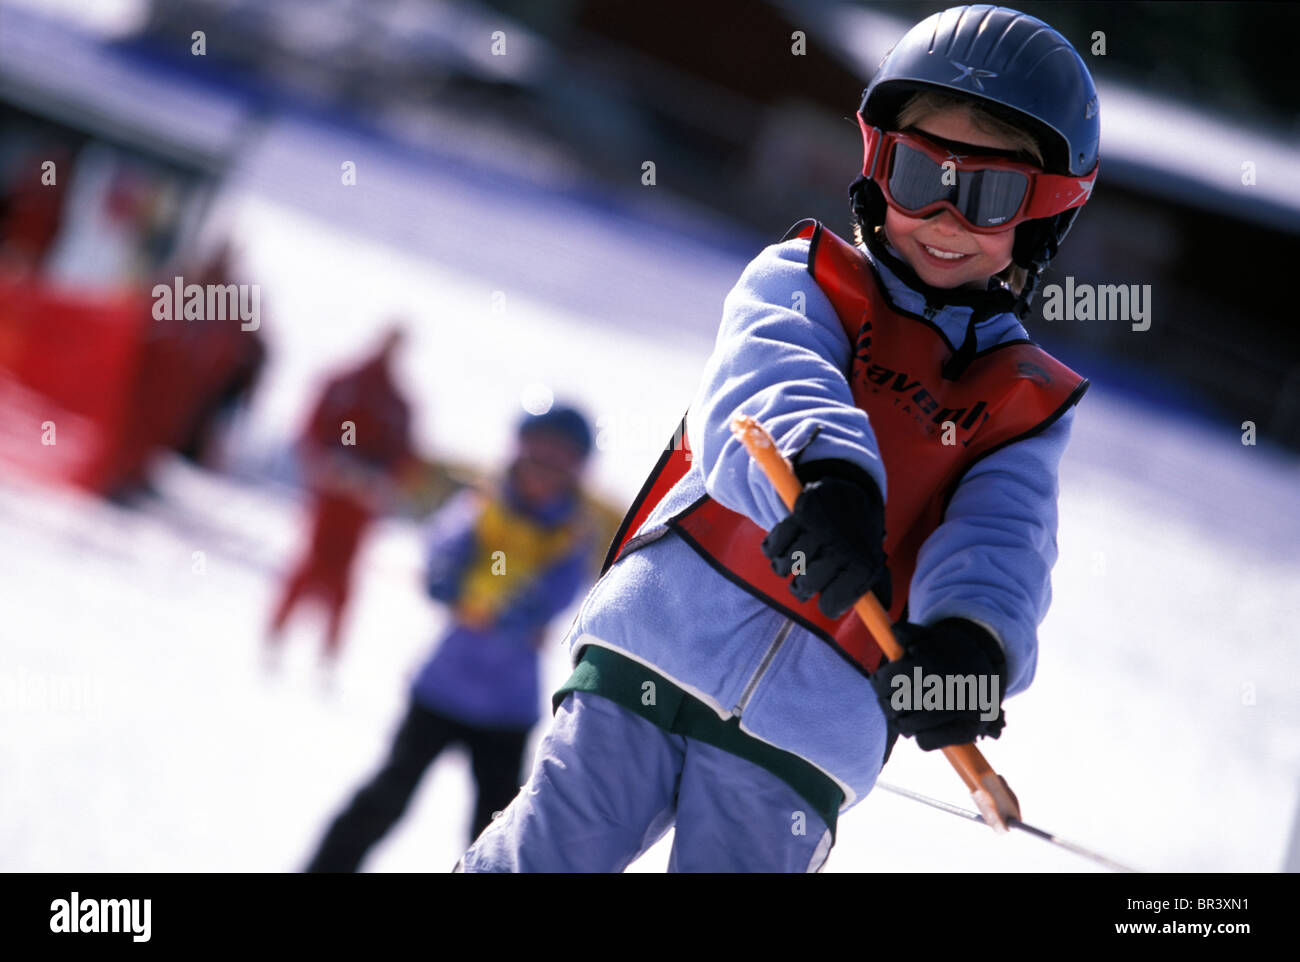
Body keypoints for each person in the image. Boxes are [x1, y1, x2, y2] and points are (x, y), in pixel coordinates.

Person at [458, 5, 1099, 872]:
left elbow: (1003, 538)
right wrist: (829, 478)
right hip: (659, 639)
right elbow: (767, 386)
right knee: (550, 854)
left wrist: (968, 649)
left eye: (987, 193)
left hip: (811, 726)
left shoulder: (1022, 403)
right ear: (877, 168)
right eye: (919, 174)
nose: (944, 216)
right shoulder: (806, 279)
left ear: (1045, 217)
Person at [305, 405, 596, 872]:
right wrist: (476, 594)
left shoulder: (569, 535)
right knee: (387, 794)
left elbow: (550, 600)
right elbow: (439, 566)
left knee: (497, 827)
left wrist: (492, 602)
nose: (543, 475)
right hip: (442, 688)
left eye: (558, 465)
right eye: (536, 458)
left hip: (507, 706)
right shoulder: (481, 507)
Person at [266, 326, 415, 670]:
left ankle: (328, 650)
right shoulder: (347, 383)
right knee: (311, 561)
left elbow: (404, 455)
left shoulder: (397, 402)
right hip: (330, 492)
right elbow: (314, 427)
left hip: (361, 500)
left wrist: (376, 480)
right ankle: (279, 632)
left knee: (344, 573)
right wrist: (326, 464)